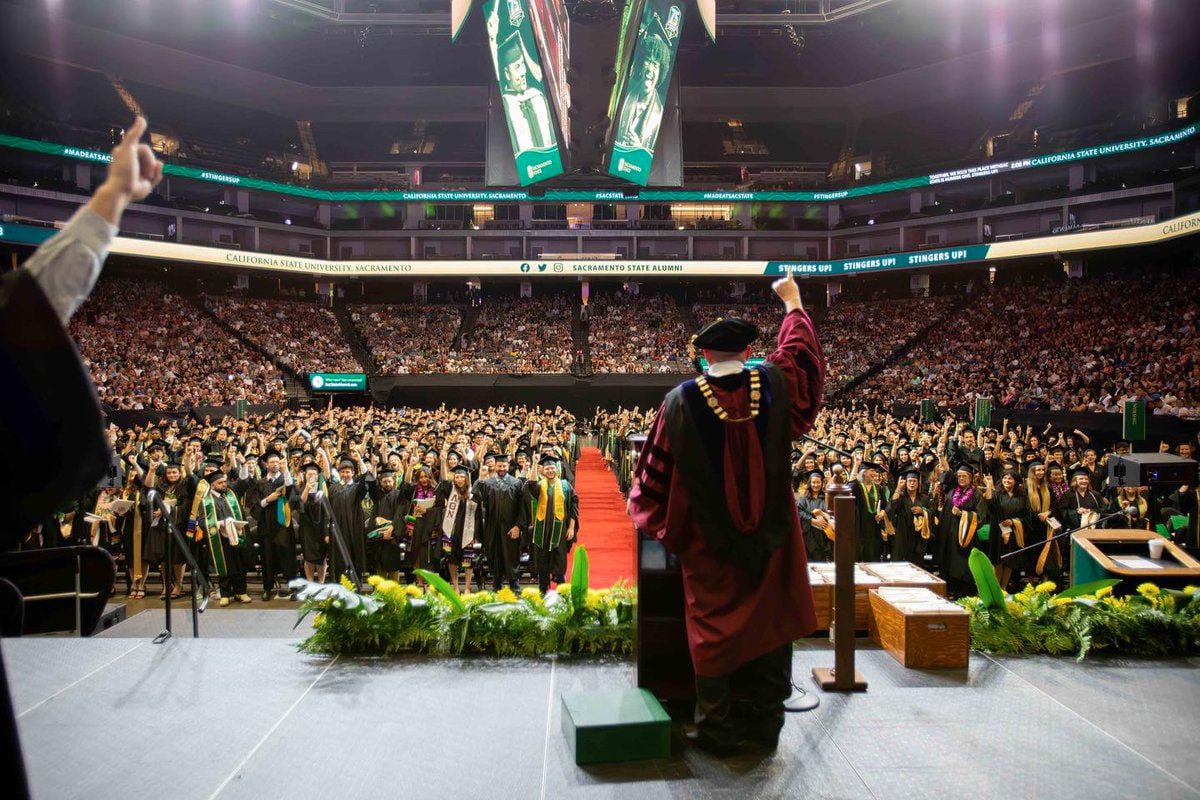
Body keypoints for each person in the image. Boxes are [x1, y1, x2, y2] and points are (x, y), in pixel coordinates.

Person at [627, 268, 824, 756]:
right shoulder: (774, 383)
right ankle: (767, 725)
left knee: (711, 630)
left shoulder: (678, 403)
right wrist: (792, 303)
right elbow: (799, 354)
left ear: (705, 355)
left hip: (709, 546)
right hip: (774, 538)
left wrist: (664, 526)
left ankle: (715, 728)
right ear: (746, 351)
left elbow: (652, 483)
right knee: (773, 623)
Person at [195, 465, 250, 606]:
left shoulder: (231, 495)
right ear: (213, 485)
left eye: (225, 482)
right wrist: (219, 524)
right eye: (220, 483)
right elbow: (201, 521)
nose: (224, 484)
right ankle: (225, 594)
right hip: (219, 538)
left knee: (239, 564)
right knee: (224, 566)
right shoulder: (206, 501)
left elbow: (243, 482)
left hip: (236, 535)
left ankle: (241, 592)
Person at [524, 453, 579, 594]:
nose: (550, 471)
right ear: (543, 470)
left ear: (557, 469)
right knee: (542, 562)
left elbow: (573, 508)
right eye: (547, 468)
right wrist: (535, 464)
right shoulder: (539, 486)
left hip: (560, 530)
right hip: (542, 531)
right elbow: (531, 484)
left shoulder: (565, 486)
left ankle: (562, 590)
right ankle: (543, 589)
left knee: (559, 561)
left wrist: (571, 528)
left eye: (552, 468)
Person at [472, 453, 526, 591]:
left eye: (504, 466)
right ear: (495, 466)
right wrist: (481, 477)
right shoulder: (487, 483)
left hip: (510, 528)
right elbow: (475, 498)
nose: (502, 468)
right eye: (499, 466)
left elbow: (523, 508)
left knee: (511, 557)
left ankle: (515, 587)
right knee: (494, 556)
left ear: (508, 466)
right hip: (492, 528)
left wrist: (518, 526)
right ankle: (497, 586)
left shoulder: (516, 483)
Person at [438, 465, 483, 593]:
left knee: (468, 559)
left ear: (466, 478)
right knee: (451, 559)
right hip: (451, 531)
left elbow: (478, 515)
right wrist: (443, 461)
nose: (459, 479)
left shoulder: (473, 494)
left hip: (468, 531)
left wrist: (476, 534)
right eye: (457, 477)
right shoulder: (451, 491)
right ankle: (456, 587)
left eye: (462, 477)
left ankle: (467, 587)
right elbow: (444, 481)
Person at [795, 469, 832, 562]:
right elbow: (799, 511)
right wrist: (812, 520)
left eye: (818, 482)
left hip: (824, 535)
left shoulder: (826, 497)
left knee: (823, 561)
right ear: (810, 483)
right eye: (813, 482)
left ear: (822, 483)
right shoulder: (804, 498)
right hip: (809, 535)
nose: (816, 485)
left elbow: (831, 513)